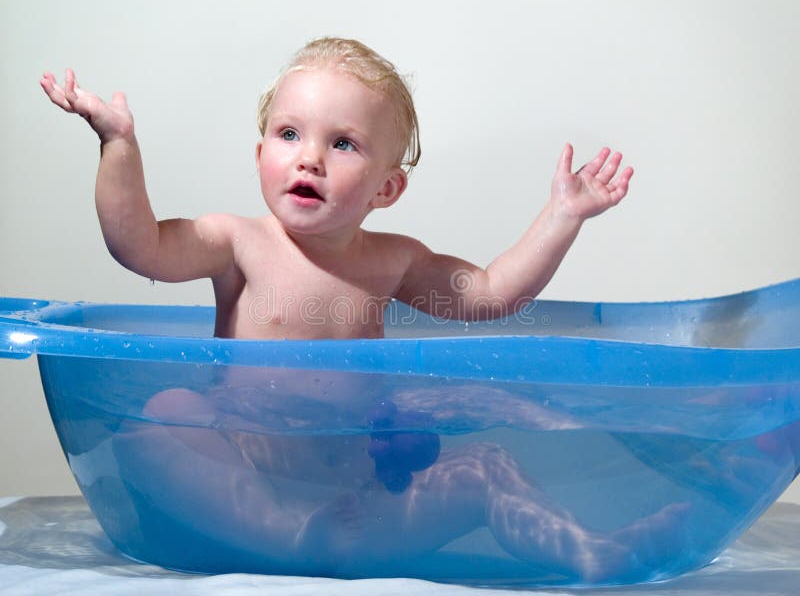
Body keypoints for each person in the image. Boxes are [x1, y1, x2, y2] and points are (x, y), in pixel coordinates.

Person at [40, 38, 683, 582]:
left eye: (343, 143)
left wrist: (563, 216)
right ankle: (288, 535)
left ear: (387, 187)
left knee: (489, 464)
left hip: (355, 503)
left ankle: (593, 554)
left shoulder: (392, 261)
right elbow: (140, 246)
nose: (309, 157)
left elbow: (490, 294)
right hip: (244, 477)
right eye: (288, 134)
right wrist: (118, 144)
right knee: (160, 418)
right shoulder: (237, 244)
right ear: (260, 155)